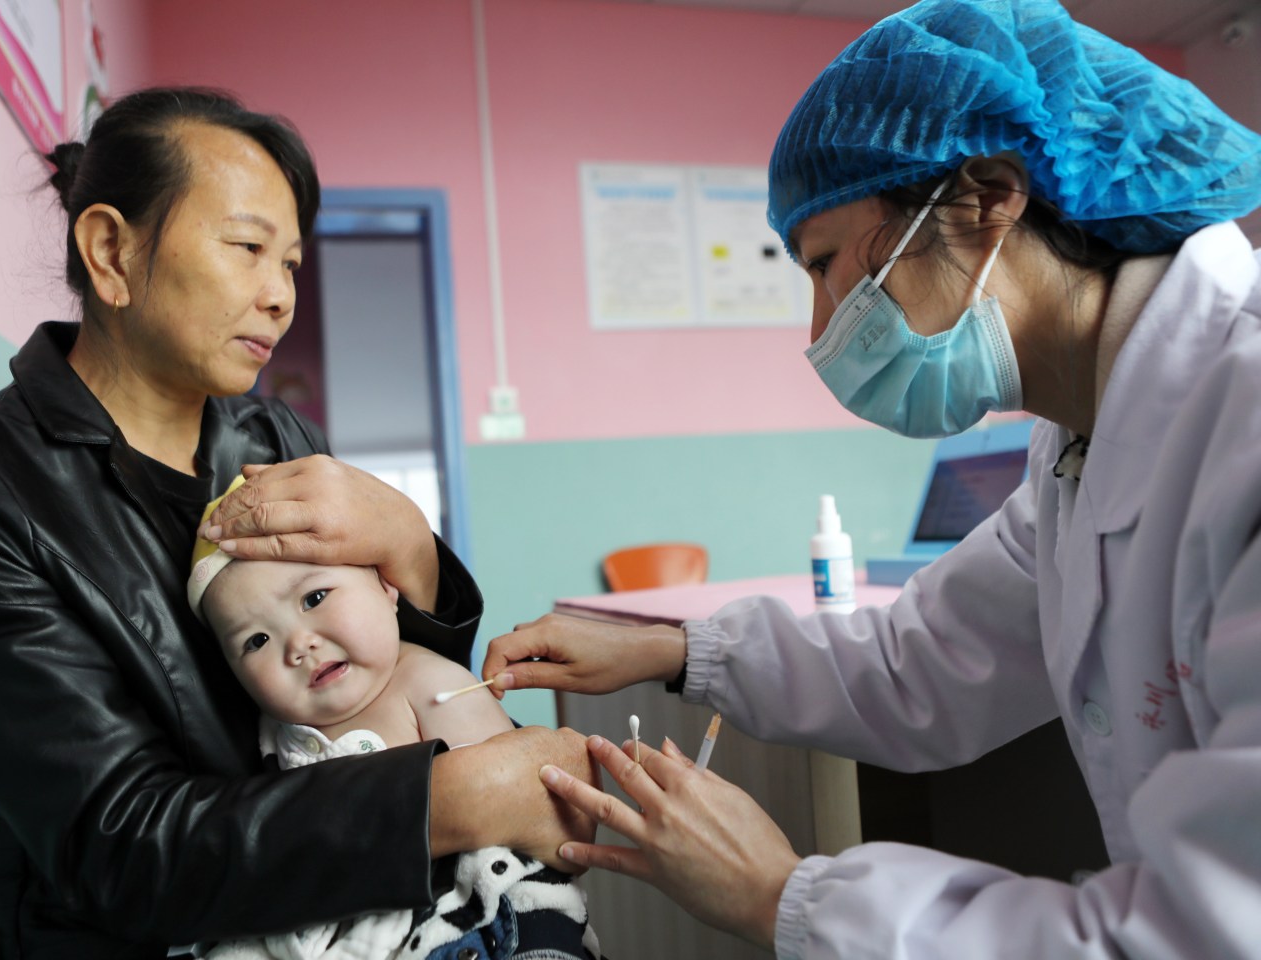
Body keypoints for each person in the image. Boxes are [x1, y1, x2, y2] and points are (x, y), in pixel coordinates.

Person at [482, 1, 1261, 957]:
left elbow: (1208, 932)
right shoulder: (1081, 446)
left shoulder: (1243, 422)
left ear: (987, 199)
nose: (821, 334)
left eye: (827, 268)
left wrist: (784, 896)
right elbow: (920, 662)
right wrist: (673, 651)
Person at [0, 86, 596, 959]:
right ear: (110, 251)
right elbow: (118, 847)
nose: (281, 295)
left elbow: (384, 676)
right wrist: (456, 799)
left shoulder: (275, 436)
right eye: (249, 247)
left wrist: (409, 540)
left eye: (291, 263)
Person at [189, 478, 598, 960]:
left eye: (315, 598)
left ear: (386, 586)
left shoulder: (428, 685)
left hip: (468, 928)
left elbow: (517, 833)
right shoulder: (271, 730)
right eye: (256, 641)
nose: (299, 646)